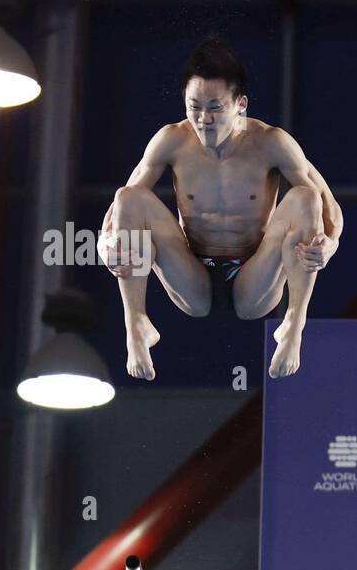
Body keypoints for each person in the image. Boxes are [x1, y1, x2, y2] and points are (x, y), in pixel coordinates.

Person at [97, 35, 342, 378]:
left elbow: (327, 205)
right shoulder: (171, 140)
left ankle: (294, 323)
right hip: (191, 280)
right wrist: (106, 243)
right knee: (128, 197)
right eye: (194, 106)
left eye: (215, 108)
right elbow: (117, 212)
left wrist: (329, 246)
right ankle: (135, 321)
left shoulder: (272, 142)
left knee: (305, 198)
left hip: (255, 281)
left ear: (241, 103)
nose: (203, 119)